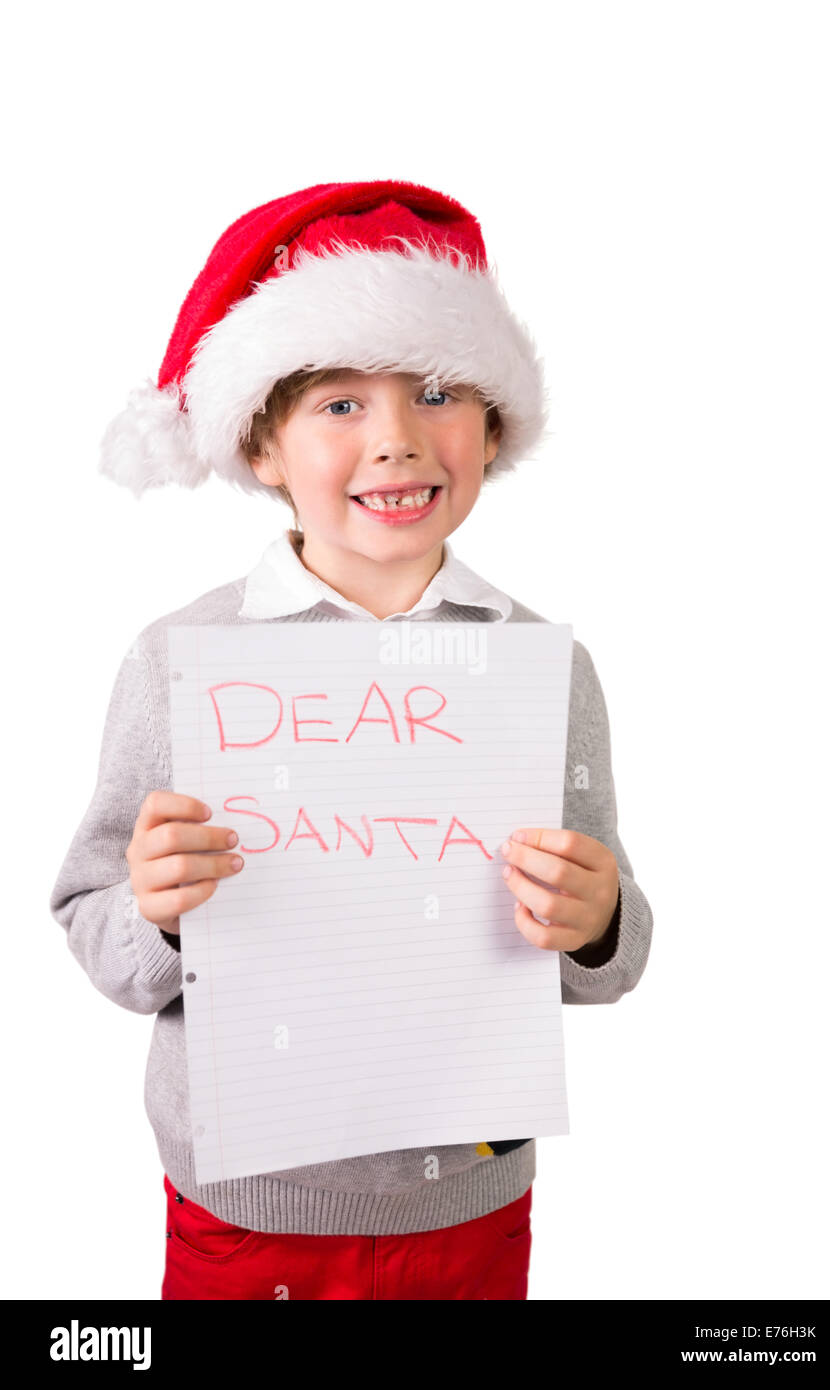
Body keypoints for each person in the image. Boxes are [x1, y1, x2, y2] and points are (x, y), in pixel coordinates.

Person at [48, 180, 654, 1300]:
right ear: (261, 446)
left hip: (468, 1203)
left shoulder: (541, 666)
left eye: (434, 392)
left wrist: (596, 918)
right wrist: (157, 911)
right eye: (338, 404)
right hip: (249, 1210)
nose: (397, 441)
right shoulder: (177, 660)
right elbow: (95, 922)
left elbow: (606, 947)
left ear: (490, 426)